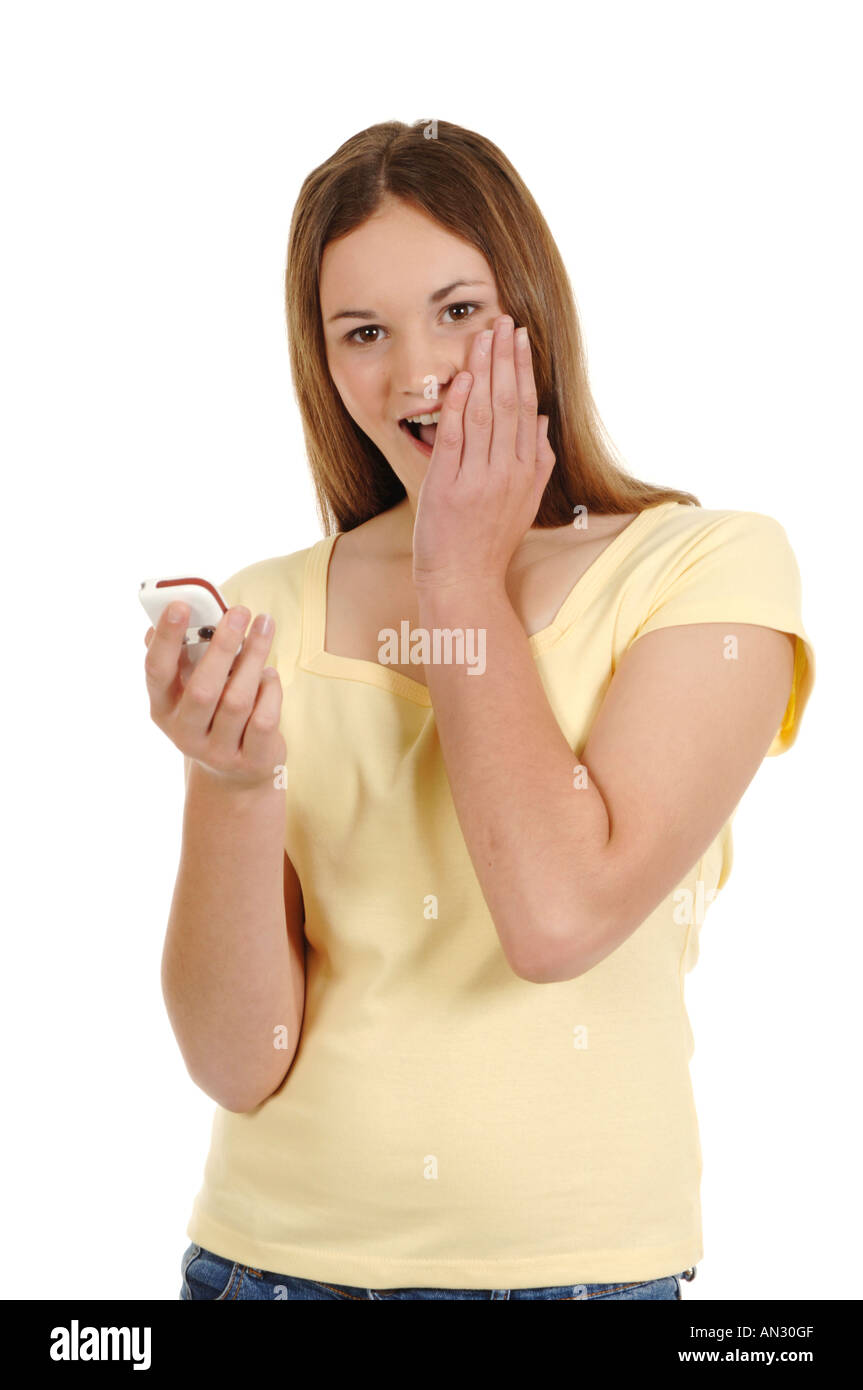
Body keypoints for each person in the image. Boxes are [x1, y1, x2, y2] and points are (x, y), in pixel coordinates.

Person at [143, 120, 815, 1302]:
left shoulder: (703, 571)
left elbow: (554, 918)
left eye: (457, 311)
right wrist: (231, 783)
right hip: (265, 1268)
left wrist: (456, 571)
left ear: (532, 312)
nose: (417, 373)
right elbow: (236, 1064)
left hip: (580, 1278)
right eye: (363, 332)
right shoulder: (269, 606)